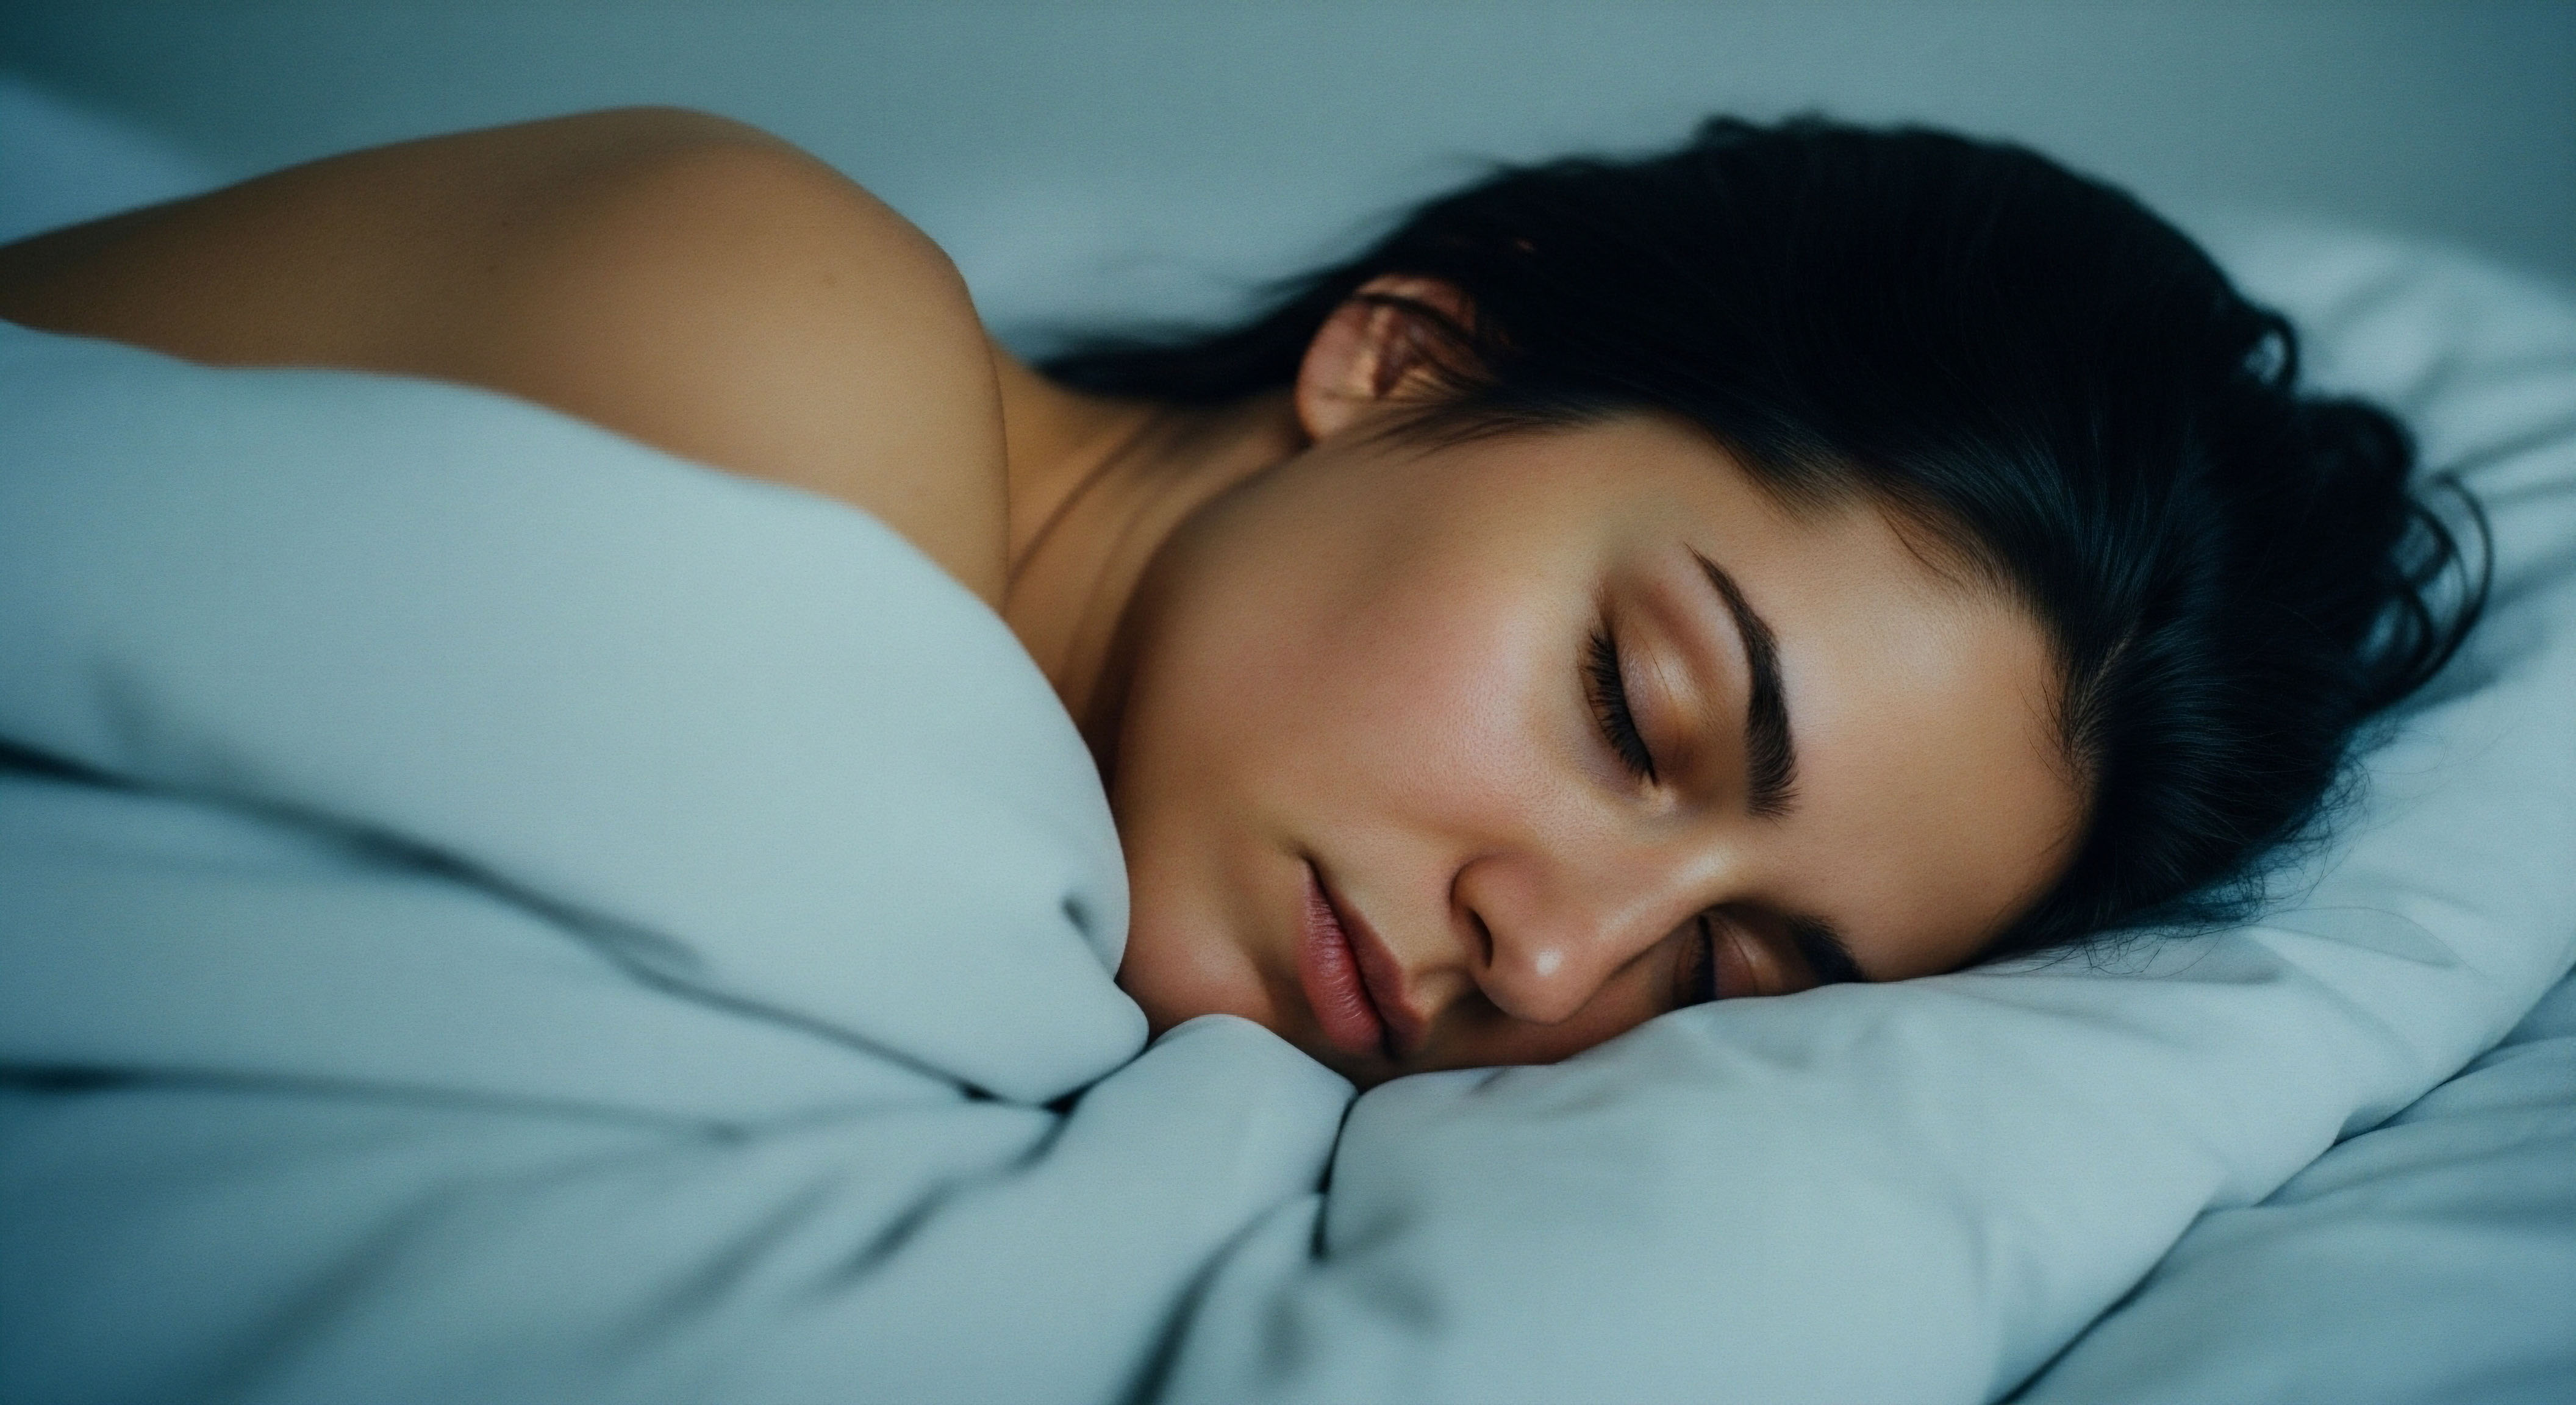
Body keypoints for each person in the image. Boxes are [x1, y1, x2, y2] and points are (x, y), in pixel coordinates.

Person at [0, 107, 2479, 1089]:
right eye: (1634, 711)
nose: (1553, 964)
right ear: (1409, 358)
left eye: (1733, 970)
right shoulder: (778, 337)